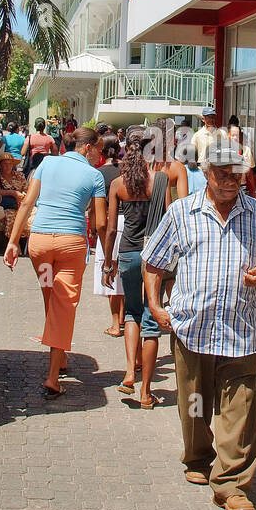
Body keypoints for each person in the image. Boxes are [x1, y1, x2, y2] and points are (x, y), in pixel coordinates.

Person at [143, 139, 256, 510]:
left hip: (240, 329)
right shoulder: (181, 213)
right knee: (194, 405)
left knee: (240, 405)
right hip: (192, 328)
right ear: (205, 173)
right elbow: (154, 262)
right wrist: (155, 305)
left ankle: (232, 483)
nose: (231, 180)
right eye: (222, 173)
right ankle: (199, 455)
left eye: (237, 173)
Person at [2, 127, 106, 397]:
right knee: (64, 304)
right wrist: (104, 247)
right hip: (70, 246)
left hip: (40, 245)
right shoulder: (95, 176)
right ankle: (52, 377)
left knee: (51, 295)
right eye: (99, 149)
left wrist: (13, 242)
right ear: (86, 148)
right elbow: (101, 221)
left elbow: (26, 204)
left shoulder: (47, 163)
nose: (100, 155)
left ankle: (59, 356)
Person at [101, 129, 170, 408]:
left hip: (128, 253)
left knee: (131, 312)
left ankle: (130, 372)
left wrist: (108, 262)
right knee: (152, 317)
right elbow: (168, 221)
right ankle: (146, 392)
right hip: (155, 258)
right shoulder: (161, 180)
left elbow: (110, 229)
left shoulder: (118, 184)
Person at [94, 135, 125, 338]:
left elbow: (94, 207)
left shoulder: (97, 174)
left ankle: (115, 323)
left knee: (109, 270)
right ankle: (123, 318)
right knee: (124, 272)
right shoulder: (126, 171)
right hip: (128, 223)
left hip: (107, 223)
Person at [0, 150, 29, 252]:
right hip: (6, 206)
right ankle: (15, 244)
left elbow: (26, 189)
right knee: (11, 217)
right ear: (0, 165)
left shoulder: (19, 176)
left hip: (21, 204)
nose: (8, 166)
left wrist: (22, 195)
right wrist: (13, 193)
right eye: (5, 164)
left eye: (10, 164)